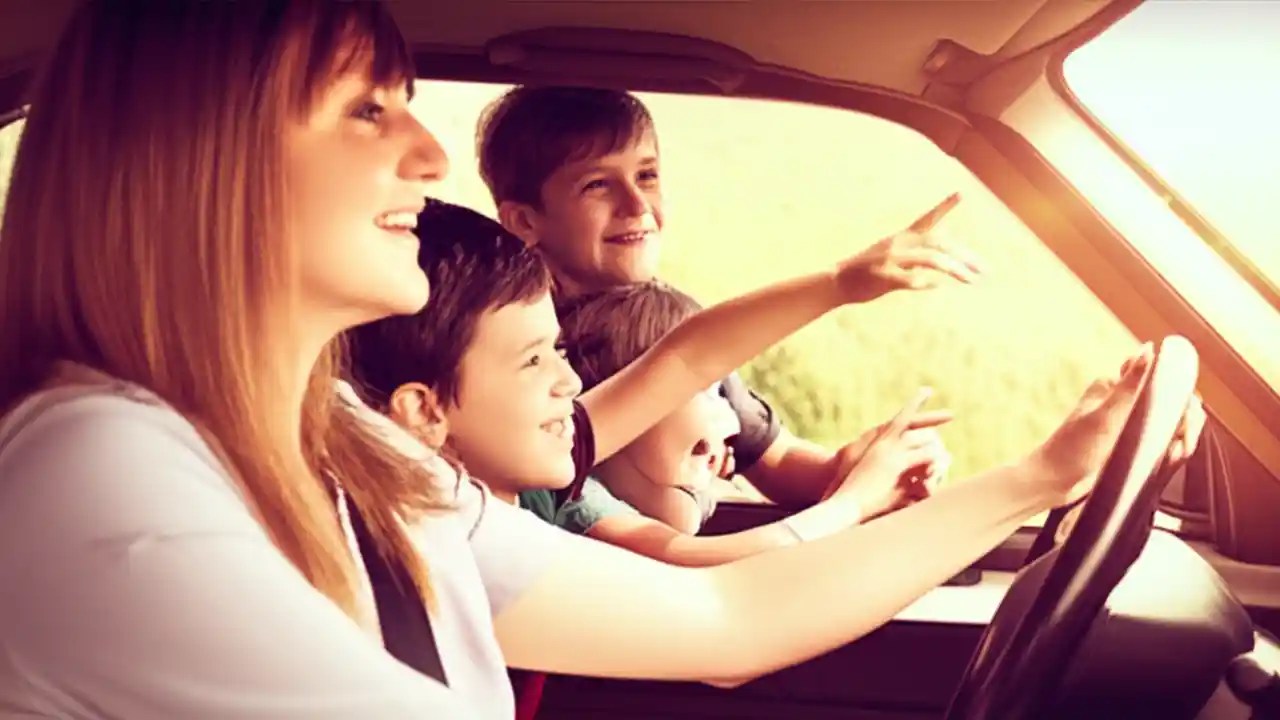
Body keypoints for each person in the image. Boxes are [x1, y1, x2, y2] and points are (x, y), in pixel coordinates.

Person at [0, 2, 1203, 719]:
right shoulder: (99, 478)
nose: (426, 155)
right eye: (367, 111)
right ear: (189, 162)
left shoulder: (344, 442)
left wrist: (1045, 473)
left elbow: (717, 616)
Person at [348, 203, 949, 568]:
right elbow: (708, 587)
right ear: (424, 413)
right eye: (533, 361)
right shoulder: (470, 543)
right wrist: (855, 504)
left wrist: (841, 282)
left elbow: (686, 358)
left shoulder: (536, 482)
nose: (570, 380)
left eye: (558, 349)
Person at [476, 85, 963, 509]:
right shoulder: (515, 350)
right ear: (524, 221)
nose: (637, 204)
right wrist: (840, 284)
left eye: (647, 176)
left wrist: (851, 466)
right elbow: (690, 355)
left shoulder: (667, 318)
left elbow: (774, 460)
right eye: (597, 185)